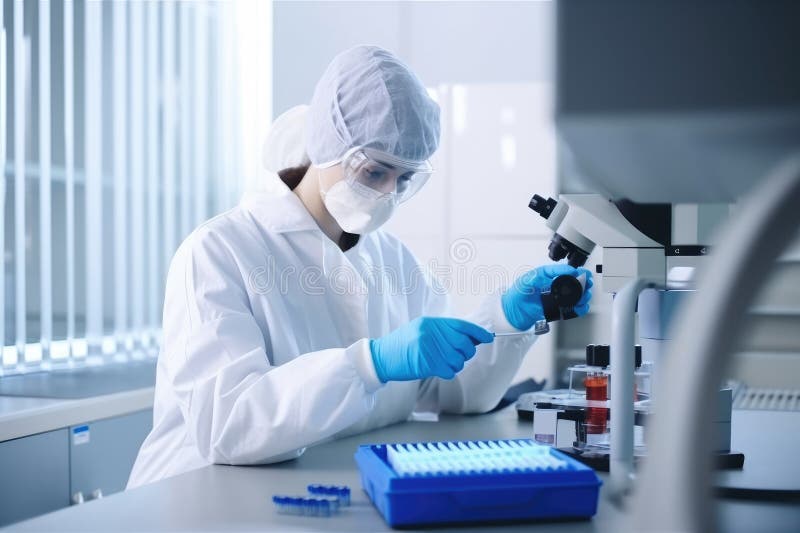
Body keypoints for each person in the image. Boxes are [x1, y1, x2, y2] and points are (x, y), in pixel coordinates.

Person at [127, 45, 592, 489]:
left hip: (318, 489)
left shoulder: (392, 260)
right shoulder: (219, 251)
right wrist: (370, 363)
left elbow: (457, 396)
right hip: (192, 500)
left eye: (404, 177)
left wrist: (509, 317)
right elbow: (228, 426)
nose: (389, 191)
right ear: (326, 146)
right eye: (375, 171)